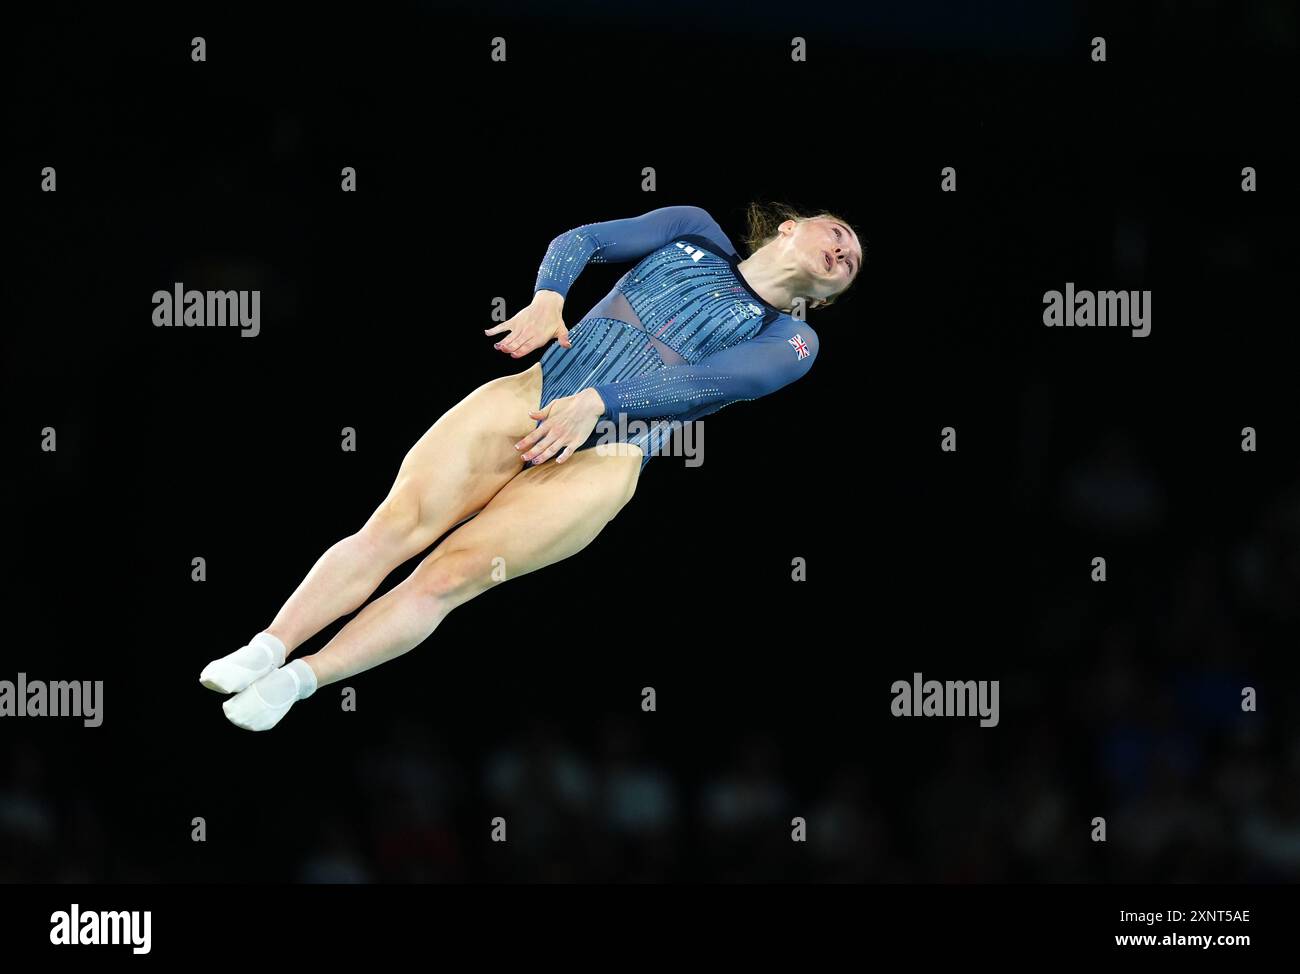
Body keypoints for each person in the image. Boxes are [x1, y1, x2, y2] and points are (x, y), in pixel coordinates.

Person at [200, 203, 863, 730]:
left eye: (851, 264)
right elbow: (583, 240)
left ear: (826, 299)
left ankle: (300, 679)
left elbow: (710, 384)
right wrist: (550, 297)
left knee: (451, 575)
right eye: (838, 234)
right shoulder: (693, 230)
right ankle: (267, 647)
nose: (843, 252)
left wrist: (602, 401)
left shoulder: (794, 340)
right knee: (395, 524)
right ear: (789, 227)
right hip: (537, 393)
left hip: (603, 459)